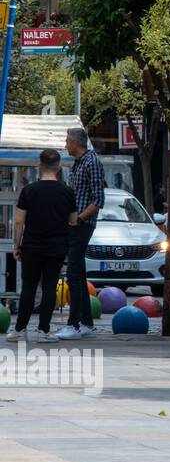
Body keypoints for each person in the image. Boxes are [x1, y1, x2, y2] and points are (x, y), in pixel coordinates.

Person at [6, 148, 76, 343]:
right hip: (57, 247)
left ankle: (20, 330)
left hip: (32, 247)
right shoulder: (67, 192)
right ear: (59, 166)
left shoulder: (29, 191)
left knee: (28, 287)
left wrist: (16, 245)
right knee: (49, 287)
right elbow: (73, 220)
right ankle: (44, 331)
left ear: (40, 164)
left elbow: (19, 222)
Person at [59, 128, 104, 340]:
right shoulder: (78, 163)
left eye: (67, 141)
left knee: (74, 274)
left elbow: (99, 199)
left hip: (81, 225)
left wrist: (79, 219)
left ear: (77, 142)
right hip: (74, 224)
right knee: (79, 273)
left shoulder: (91, 162)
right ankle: (86, 323)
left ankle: (74, 324)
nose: (65, 144)